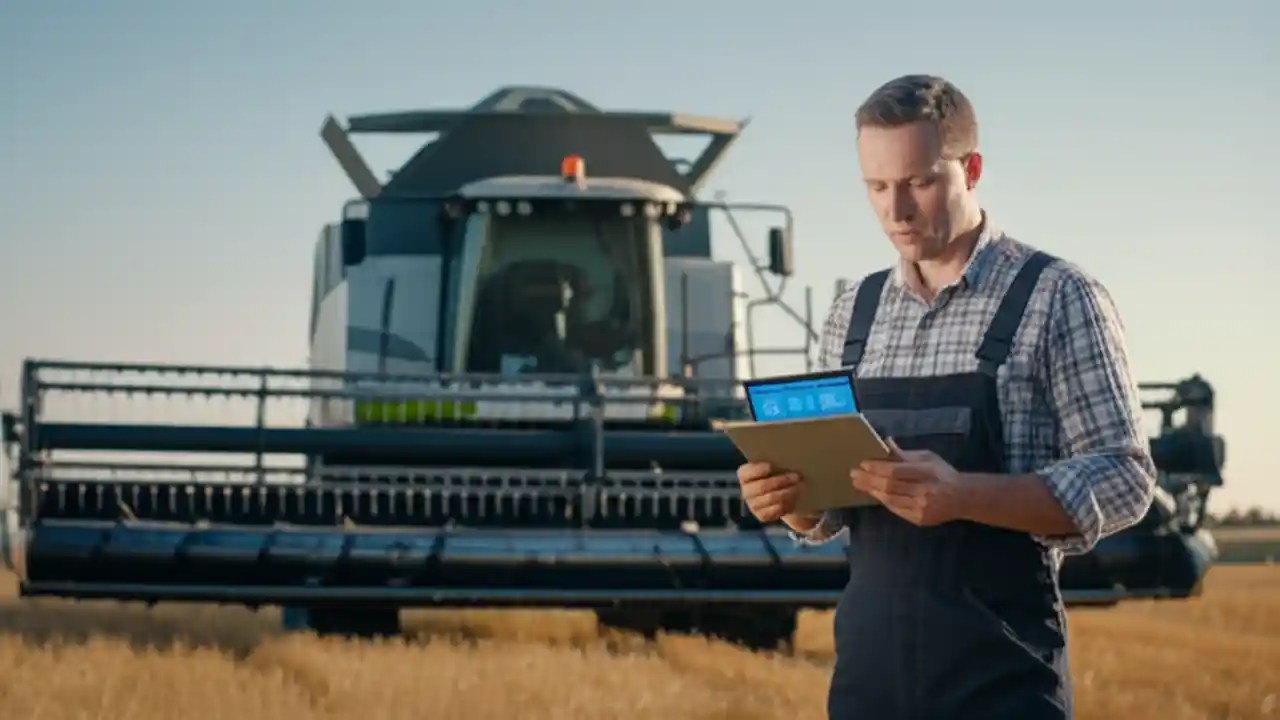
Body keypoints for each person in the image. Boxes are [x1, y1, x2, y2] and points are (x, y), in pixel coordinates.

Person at [735, 74, 1156, 719]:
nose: (895, 210)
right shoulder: (853, 312)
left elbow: (1126, 478)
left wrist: (962, 496)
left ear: (972, 168)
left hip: (1003, 685)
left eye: (920, 182)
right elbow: (830, 516)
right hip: (868, 687)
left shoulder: (1057, 296)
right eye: (876, 187)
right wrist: (790, 502)